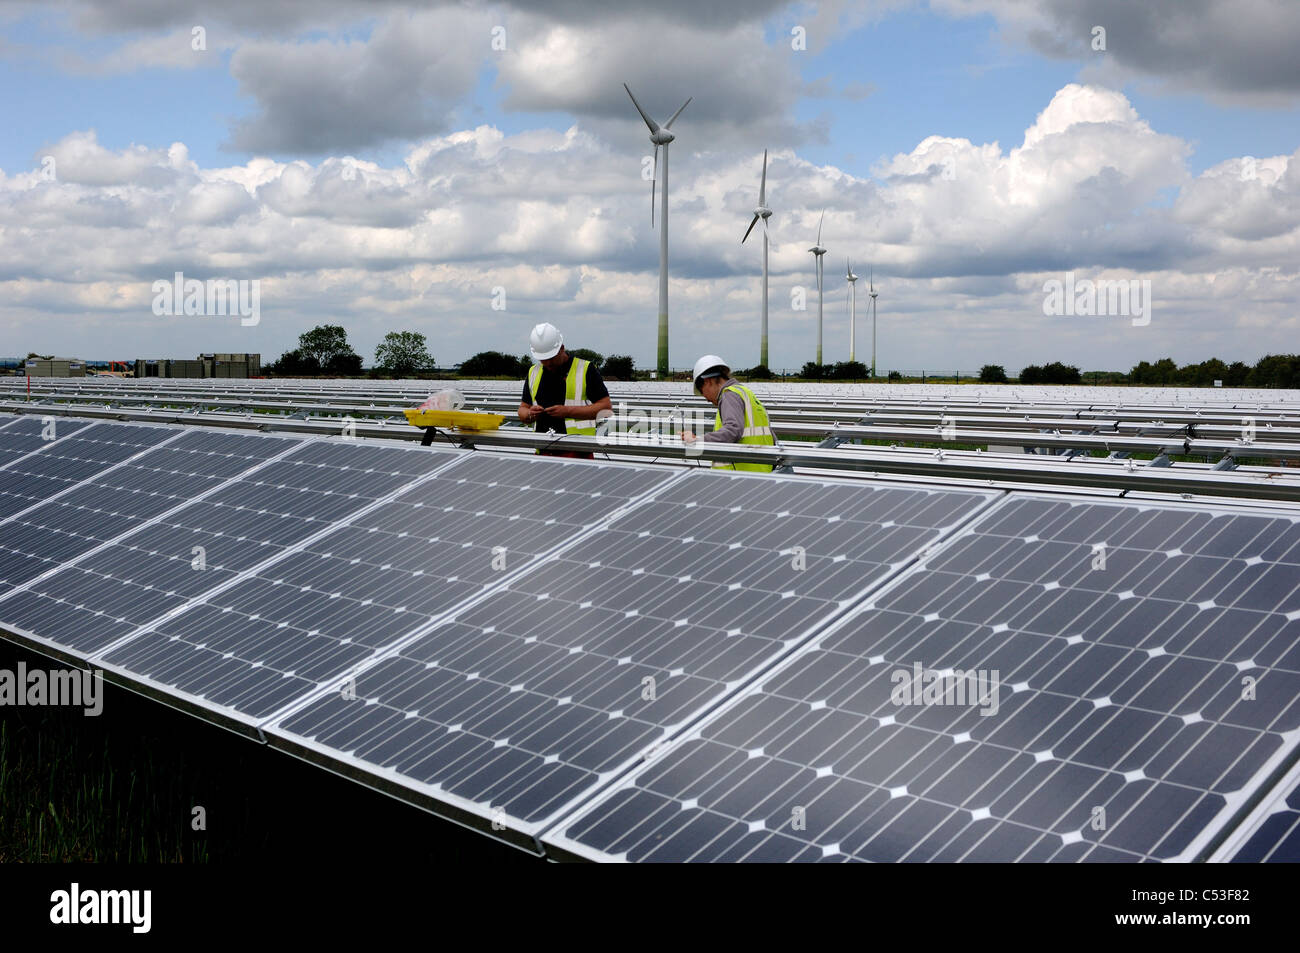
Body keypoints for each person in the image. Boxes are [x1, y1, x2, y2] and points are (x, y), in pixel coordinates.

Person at [518, 322, 612, 459]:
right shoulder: (534, 372)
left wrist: (567, 411)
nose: (548, 363)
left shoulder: (585, 369)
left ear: (562, 348)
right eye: (543, 359)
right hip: (543, 450)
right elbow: (522, 409)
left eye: (551, 358)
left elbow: (606, 408)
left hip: (578, 452)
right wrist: (530, 414)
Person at [681, 354, 776, 472]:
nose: (705, 398)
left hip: (740, 476)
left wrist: (698, 440)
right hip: (760, 473)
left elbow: (733, 430)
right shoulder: (746, 393)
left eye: (702, 391)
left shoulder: (729, 395)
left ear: (708, 381)